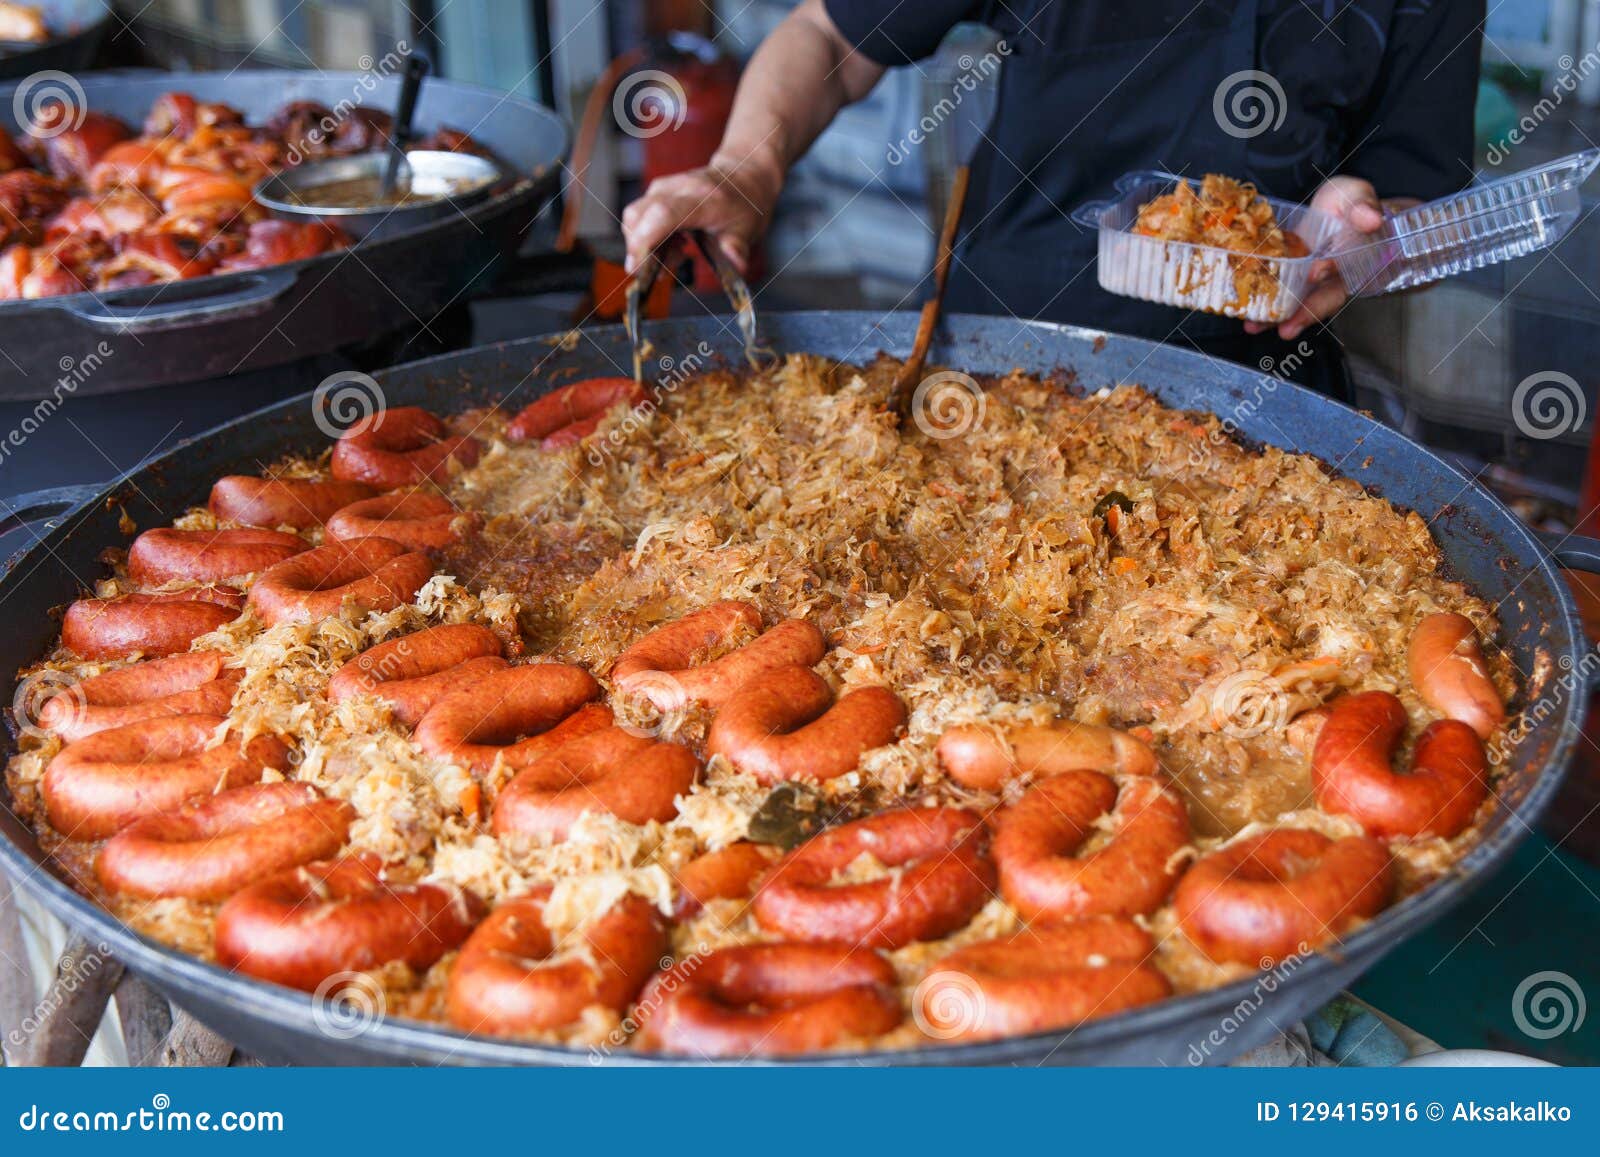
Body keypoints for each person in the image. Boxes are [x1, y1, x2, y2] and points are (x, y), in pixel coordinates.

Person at [621, 0, 1485, 399]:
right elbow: (832, 39)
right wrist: (745, 172)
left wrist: (1369, 240)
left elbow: (1417, 212)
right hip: (986, 366)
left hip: (1260, 392)